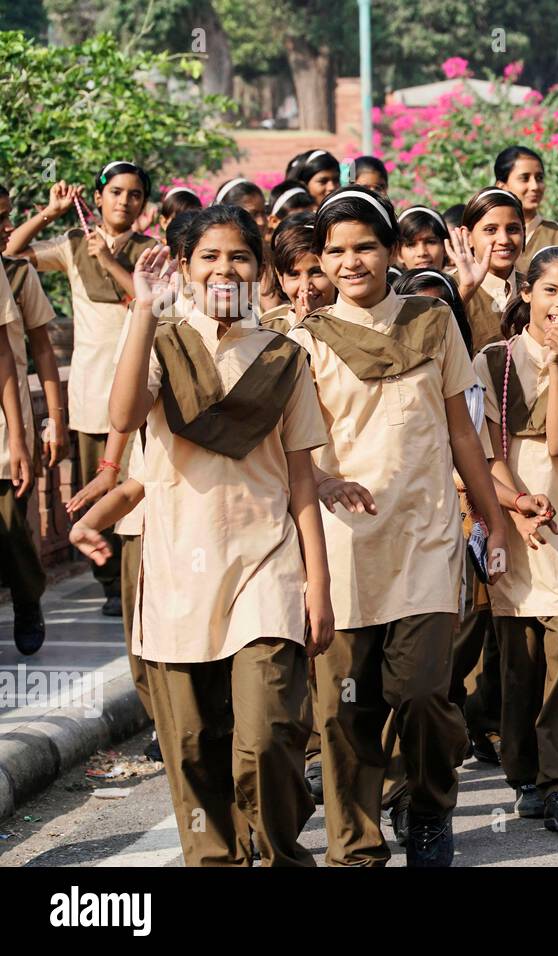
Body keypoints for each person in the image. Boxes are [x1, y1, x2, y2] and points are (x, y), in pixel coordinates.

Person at [289, 185, 507, 866]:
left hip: (425, 538)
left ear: (389, 251)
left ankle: (428, 806)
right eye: (336, 252)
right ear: (320, 261)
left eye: (365, 247)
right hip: (342, 546)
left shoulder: (432, 323)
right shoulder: (304, 340)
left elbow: (463, 437)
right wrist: (323, 484)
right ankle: (354, 843)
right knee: (346, 708)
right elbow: (294, 452)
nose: (351, 262)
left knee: (421, 696)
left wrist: (492, 521)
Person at [110, 206, 332, 866]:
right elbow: (122, 415)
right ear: (184, 268)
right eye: (208, 257)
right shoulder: (162, 346)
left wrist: (316, 585)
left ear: (258, 270)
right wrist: (144, 312)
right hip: (179, 565)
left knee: (265, 736)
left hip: (265, 563)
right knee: (192, 746)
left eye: (238, 257)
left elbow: (300, 479)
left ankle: (282, 851)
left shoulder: (283, 358)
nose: (224, 269)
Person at [475, 245, 558, 834]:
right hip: (509, 516)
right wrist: (513, 508)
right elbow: (480, 451)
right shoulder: (490, 361)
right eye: (551, 290)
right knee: (519, 661)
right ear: (525, 291)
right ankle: (524, 775)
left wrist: (555, 367)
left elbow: (557, 442)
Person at [4, 163, 161, 616]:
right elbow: (11, 253)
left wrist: (109, 262)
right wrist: (50, 213)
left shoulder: (150, 252)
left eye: (134, 194)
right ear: (97, 198)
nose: (124, 201)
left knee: (134, 484)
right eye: (115, 192)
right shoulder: (74, 245)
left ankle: (132, 573)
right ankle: (110, 579)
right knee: (97, 484)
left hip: (140, 386)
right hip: (92, 390)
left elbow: (146, 299)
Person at [0, 264, 42, 654]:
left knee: (11, 527)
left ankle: (28, 599)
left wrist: (17, 439)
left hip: (1, 430)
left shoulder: (13, 271)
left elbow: (4, 357)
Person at [448, 187, 526, 353]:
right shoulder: (449, 288)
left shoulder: (535, 287)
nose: (504, 240)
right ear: (467, 236)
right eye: (490, 230)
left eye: (512, 229)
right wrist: (465, 292)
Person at [495, 145, 558, 272]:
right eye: (524, 178)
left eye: (539, 178)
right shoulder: (488, 235)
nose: (535, 186)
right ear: (502, 186)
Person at [396, 206, 450, 272]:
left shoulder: (463, 281)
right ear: (399, 254)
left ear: (445, 247)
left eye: (431, 242)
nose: (421, 253)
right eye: (411, 244)